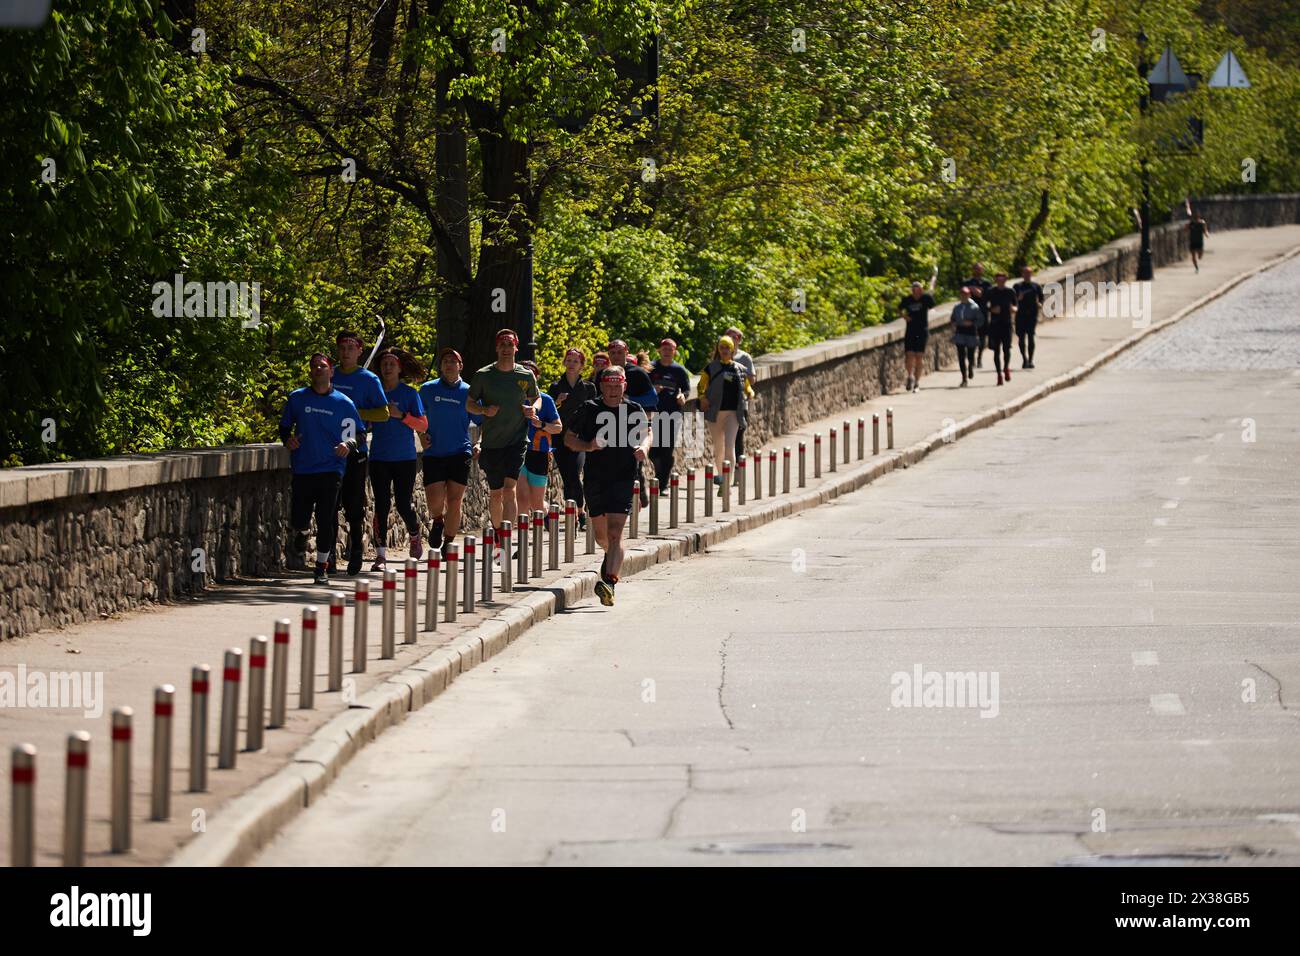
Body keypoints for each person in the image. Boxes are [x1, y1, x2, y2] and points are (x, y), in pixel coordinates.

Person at [564, 365, 652, 607]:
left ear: (624, 386)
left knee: (615, 533)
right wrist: (588, 446)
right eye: (609, 386)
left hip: (624, 477)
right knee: (602, 536)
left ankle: (609, 583)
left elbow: (647, 432)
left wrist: (644, 447)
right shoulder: (590, 409)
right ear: (602, 386)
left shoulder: (633, 409)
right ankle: (609, 557)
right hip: (595, 479)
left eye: (618, 385)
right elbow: (568, 438)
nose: (614, 390)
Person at [279, 353, 361, 586]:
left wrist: (348, 444)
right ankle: (302, 532)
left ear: (331, 371)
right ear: (310, 371)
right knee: (299, 517)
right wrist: (288, 440)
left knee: (326, 518)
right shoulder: (297, 398)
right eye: (314, 366)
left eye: (323, 366)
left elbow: (359, 434)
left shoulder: (344, 403)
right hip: (303, 467)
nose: (318, 369)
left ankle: (321, 568)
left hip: (331, 469)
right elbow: (284, 427)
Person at [466, 329, 541, 531]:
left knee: (510, 490)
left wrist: (533, 409)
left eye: (510, 345)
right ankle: (499, 534)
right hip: (492, 443)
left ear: (516, 348)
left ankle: (506, 536)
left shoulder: (525, 374)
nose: (506, 349)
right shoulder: (483, 375)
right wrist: (483, 410)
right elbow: (469, 404)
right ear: (496, 347)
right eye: (502, 344)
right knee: (496, 493)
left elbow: (537, 398)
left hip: (517, 441)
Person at [331, 330, 391, 575]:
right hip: (329, 451)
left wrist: (355, 413)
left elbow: (383, 413)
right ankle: (328, 556)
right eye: (342, 348)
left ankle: (356, 552)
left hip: (356, 450)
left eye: (350, 348)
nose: (346, 353)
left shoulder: (369, 380)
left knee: (353, 506)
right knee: (329, 506)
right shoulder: (328, 374)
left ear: (359, 351)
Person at [367, 348, 428, 571]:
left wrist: (401, 415)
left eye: (392, 363)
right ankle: (380, 556)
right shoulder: (373, 392)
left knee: (403, 503)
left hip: (404, 458)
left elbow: (422, 425)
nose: (388, 367)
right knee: (381, 505)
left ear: (400, 368)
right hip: (379, 457)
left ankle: (414, 532)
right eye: (384, 363)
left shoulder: (410, 394)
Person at [418, 348, 480, 555]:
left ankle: (448, 543)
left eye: (453, 361)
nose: (449, 364)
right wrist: (421, 434)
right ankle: (437, 520)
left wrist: (479, 442)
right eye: (445, 361)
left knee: (454, 500)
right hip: (434, 452)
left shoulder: (469, 392)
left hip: (460, 451)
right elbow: (418, 417)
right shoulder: (427, 389)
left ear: (460, 366)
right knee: (434, 499)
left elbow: (483, 421)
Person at [697, 335, 754, 495]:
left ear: (732, 350)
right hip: (715, 413)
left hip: (732, 414)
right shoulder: (710, 368)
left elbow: (747, 386)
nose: (724, 351)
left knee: (730, 446)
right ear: (718, 349)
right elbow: (701, 386)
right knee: (719, 448)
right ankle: (721, 476)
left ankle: (726, 484)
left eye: (727, 348)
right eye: (721, 347)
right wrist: (702, 398)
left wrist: (750, 392)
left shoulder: (740, 369)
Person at [548, 348, 597, 529]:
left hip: (579, 438)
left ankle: (579, 510)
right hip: (560, 438)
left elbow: (594, 413)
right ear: (564, 362)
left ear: (582, 366)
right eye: (569, 360)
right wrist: (558, 401)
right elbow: (548, 412)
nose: (571, 364)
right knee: (567, 475)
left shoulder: (589, 388)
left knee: (574, 472)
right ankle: (577, 512)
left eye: (575, 361)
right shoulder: (555, 387)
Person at [607, 339, 656, 505]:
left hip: (633, 425)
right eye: (612, 353)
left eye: (619, 352)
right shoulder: (605, 373)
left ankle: (637, 497)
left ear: (626, 353)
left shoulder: (637, 373)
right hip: (609, 426)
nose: (616, 356)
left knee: (632, 465)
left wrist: (629, 399)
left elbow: (652, 398)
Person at [517, 360, 564, 514]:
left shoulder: (546, 400)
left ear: (536, 378)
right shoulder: (510, 398)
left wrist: (542, 425)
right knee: (521, 497)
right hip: (516, 450)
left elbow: (558, 428)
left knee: (536, 503)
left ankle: (547, 511)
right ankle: (521, 537)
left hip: (539, 453)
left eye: (532, 375)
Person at [648, 338, 690, 492]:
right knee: (653, 450)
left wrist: (682, 397)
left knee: (667, 449)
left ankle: (663, 484)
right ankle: (660, 474)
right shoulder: (651, 368)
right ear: (659, 350)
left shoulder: (678, 370)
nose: (666, 352)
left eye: (670, 349)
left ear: (674, 351)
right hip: (653, 413)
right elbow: (643, 387)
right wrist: (653, 389)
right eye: (664, 349)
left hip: (672, 414)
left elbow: (686, 389)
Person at [723, 326, 756, 467]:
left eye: (734, 337)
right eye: (728, 335)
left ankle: (738, 471)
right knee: (723, 439)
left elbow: (752, 379)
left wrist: (735, 377)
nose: (731, 339)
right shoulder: (720, 356)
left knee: (737, 438)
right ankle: (724, 470)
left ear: (739, 340)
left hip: (739, 404)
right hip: (722, 403)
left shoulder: (744, 357)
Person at [898, 280, 936, 393]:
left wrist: (931, 289)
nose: (916, 291)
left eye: (918, 289)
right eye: (914, 289)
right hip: (910, 330)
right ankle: (910, 376)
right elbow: (899, 309)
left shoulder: (926, 298)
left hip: (922, 330)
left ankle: (917, 382)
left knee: (919, 356)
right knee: (909, 355)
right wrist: (905, 317)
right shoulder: (907, 300)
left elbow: (932, 305)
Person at [984, 272, 1017, 385]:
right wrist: (991, 310)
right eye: (998, 279)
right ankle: (999, 374)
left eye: (1002, 279)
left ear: (1006, 280)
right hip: (995, 324)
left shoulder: (1010, 292)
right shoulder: (991, 292)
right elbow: (984, 305)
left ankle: (1006, 368)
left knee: (1006, 349)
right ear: (995, 280)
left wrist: (1013, 309)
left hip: (1007, 324)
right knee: (996, 351)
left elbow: (1016, 305)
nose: (1000, 281)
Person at [961, 262, 992, 369]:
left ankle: (979, 358)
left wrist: (979, 292)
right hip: (969, 314)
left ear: (982, 270)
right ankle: (972, 359)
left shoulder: (987, 283)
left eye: (979, 269)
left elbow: (988, 297)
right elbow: (962, 296)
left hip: (982, 313)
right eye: (976, 269)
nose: (977, 271)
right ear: (972, 270)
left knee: (982, 337)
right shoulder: (967, 283)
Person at [951, 287, 984, 387]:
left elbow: (981, 320)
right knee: (961, 356)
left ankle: (970, 367)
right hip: (960, 332)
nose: (963, 296)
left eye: (965, 294)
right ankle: (964, 378)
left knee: (970, 355)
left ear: (969, 295)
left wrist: (971, 323)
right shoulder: (957, 307)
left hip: (971, 333)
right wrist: (953, 324)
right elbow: (953, 318)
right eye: (962, 294)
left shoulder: (975, 307)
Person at [1014, 266, 1044, 369]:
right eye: (1025, 273)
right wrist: (1019, 298)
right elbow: (1013, 301)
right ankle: (1024, 359)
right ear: (1022, 274)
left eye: (1029, 273)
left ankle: (1030, 360)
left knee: (1031, 337)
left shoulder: (1036, 286)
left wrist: (1039, 304)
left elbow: (1041, 299)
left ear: (1031, 274)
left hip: (1032, 315)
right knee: (1021, 338)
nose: (1027, 275)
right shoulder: (1017, 286)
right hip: (1020, 315)